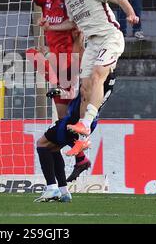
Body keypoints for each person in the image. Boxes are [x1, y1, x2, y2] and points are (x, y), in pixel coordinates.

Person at [49, 0, 139, 156]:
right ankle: (82, 141)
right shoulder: (69, 1)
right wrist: (51, 26)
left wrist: (131, 14)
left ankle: (85, 123)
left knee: (98, 75)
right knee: (84, 90)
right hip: (92, 43)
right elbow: (73, 24)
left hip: (109, 37)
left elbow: (121, 0)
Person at [26, 0, 91, 181]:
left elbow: (77, 37)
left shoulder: (68, 4)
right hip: (56, 65)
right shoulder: (47, 1)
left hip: (69, 64)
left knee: (65, 119)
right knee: (62, 119)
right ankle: (80, 160)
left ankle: (79, 159)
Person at [34, 72, 116, 202]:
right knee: (53, 148)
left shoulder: (96, 75)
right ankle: (64, 191)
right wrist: (63, 94)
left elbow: (85, 96)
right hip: (88, 120)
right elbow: (85, 97)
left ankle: (52, 188)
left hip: (74, 121)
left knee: (42, 144)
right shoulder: (107, 78)